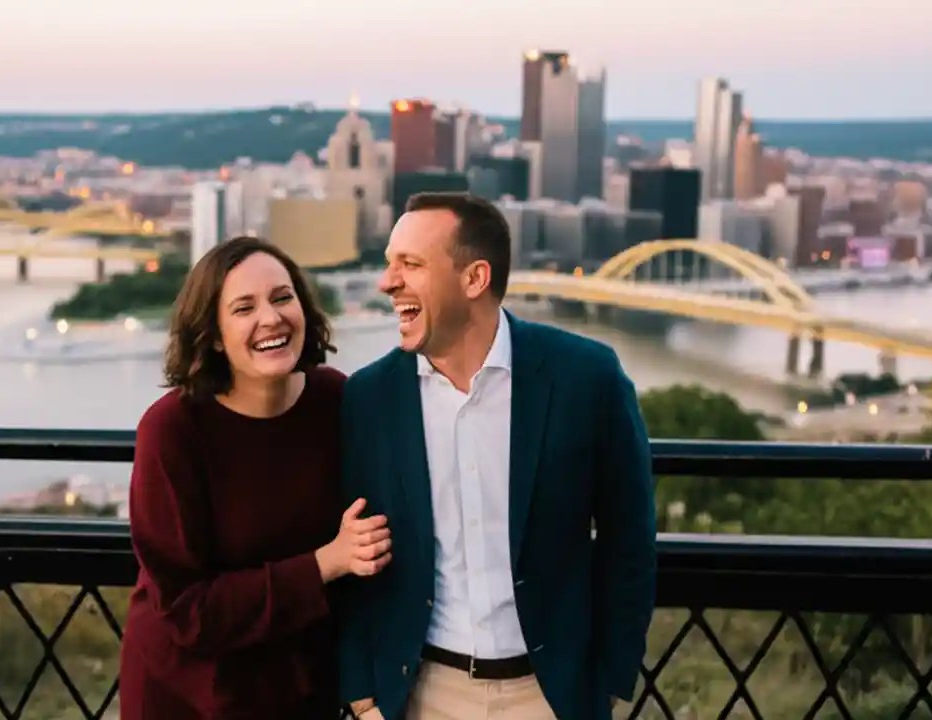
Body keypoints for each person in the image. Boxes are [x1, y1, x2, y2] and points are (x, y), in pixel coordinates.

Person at [337, 193, 657, 720]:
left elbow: (630, 542)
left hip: (551, 697)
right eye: (389, 263)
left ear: (474, 278)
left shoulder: (587, 378)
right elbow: (356, 552)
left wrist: (610, 682)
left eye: (410, 264)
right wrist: (362, 694)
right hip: (419, 694)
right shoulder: (369, 398)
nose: (386, 282)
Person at [120, 237, 392, 719]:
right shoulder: (172, 431)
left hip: (303, 688)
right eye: (244, 308)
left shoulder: (335, 400)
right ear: (216, 334)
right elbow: (188, 610)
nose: (271, 318)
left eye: (282, 297)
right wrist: (324, 563)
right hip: (192, 695)